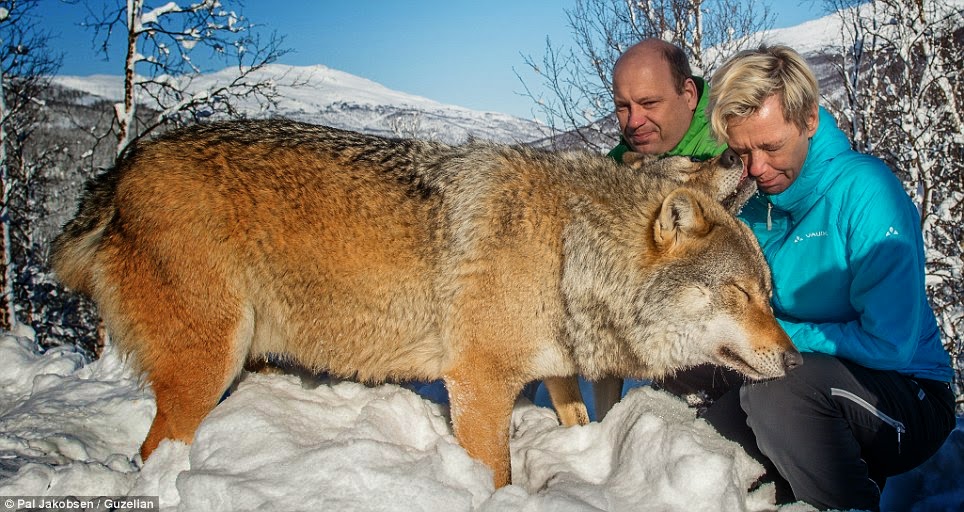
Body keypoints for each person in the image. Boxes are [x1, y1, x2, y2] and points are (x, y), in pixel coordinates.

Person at [695, 44, 956, 510]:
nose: (756, 169)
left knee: (778, 398)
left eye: (771, 146)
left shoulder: (866, 191)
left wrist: (779, 337)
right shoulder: (755, 207)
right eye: (742, 151)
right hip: (812, 380)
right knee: (707, 435)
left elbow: (892, 343)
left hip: (907, 396)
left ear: (810, 121)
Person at [609, 38, 726, 162]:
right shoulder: (611, 166)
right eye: (622, 106)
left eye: (649, 103)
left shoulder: (733, 158)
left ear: (689, 95)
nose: (634, 122)